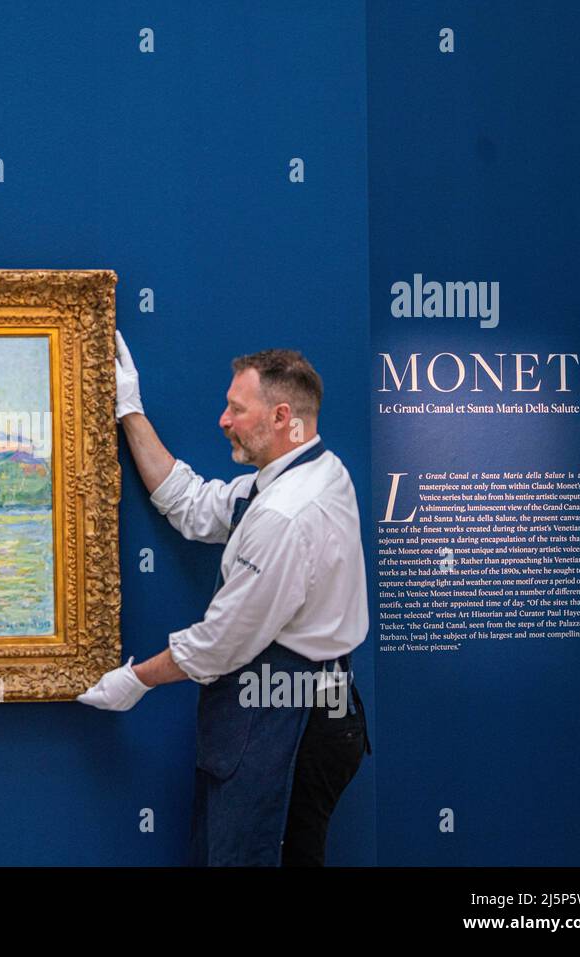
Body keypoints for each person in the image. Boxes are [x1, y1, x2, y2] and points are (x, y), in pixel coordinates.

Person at [79, 332, 371, 866]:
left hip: (289, 721)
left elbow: (219, 643)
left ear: (281, 416)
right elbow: (192, 502)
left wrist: (133, 680)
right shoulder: (304, 473)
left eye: (237, 408)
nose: (223, 419)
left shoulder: (286, 514)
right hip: (302, 708)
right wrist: (130, 411)